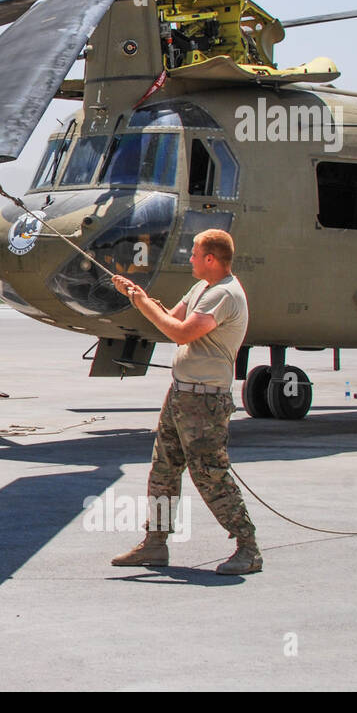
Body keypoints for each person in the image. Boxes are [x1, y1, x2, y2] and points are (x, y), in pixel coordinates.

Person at [108, 229, 262, 575]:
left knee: (210, 474)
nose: (189, 258)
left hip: (204, 402)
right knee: (163, 470)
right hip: (182, 394)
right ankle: (155, 544)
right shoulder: (202, 289)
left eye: (194, 254)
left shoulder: (224, 294)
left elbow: (181, 333)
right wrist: (138, 296)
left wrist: (143, 304)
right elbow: (173, 317)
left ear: (211, 259)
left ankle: (248, 547)